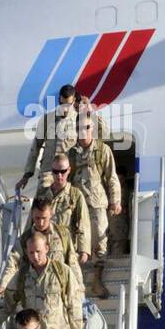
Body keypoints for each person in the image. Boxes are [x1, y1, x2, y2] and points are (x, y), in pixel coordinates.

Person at [0, 232, 83, 329]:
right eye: (31, 253)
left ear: (47, 249)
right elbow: (8, 303)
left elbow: (74, 302)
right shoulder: (21, 276)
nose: (35, 256)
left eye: (38, 251)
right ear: (26, 253)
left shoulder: (62, 272)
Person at [69, 114, 121, 298]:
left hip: (97, 203)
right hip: (76, 206)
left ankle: (97, 281)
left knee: (100, 241)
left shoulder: (102, 150)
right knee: (77, 244)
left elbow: (111, 177)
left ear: (92, 129)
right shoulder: (71, 154)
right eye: (79, 129)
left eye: (87, 128)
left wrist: (115, 201)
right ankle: (78, 284)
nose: (83, 132)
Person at [0, 194, 82, 297]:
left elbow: (72, 262)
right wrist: (3, 285)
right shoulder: (25, 239)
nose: (40, 223)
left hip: (58, 291)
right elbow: (12, 263)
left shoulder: (63, 235)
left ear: (51, 214)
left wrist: (79, 288)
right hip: (34, 292)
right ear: (32, 214)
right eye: (37, 218)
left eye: (44, 218)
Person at [16, 83, 78, 191]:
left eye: (68, 105)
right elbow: (35, 147)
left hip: (68, 175)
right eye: (62, 104)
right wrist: (27, 175)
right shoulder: (47, 119)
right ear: (59, 100)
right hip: (48, 172)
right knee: (42, 203)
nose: (65, 108)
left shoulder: (80, 120)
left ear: (74, 101)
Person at [48, 154, 92, 264]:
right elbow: (32, 222)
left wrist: (84, 250)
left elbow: (83, 223)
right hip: (46, 251)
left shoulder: (75, 195)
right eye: (55, 171)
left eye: (63, 171)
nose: (59, 176)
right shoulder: (42, 195)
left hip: (67, 250)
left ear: (69, 170)